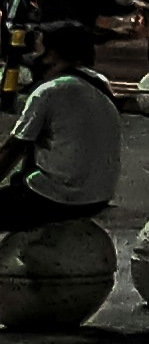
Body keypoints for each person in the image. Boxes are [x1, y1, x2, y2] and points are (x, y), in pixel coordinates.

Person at [0, 19, 122, 242]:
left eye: (39, 48)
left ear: (54, 53)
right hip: (99, 196)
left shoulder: (49, 91)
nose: (34, 56)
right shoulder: (101, 83)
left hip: (56, 199)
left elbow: (12, 150)